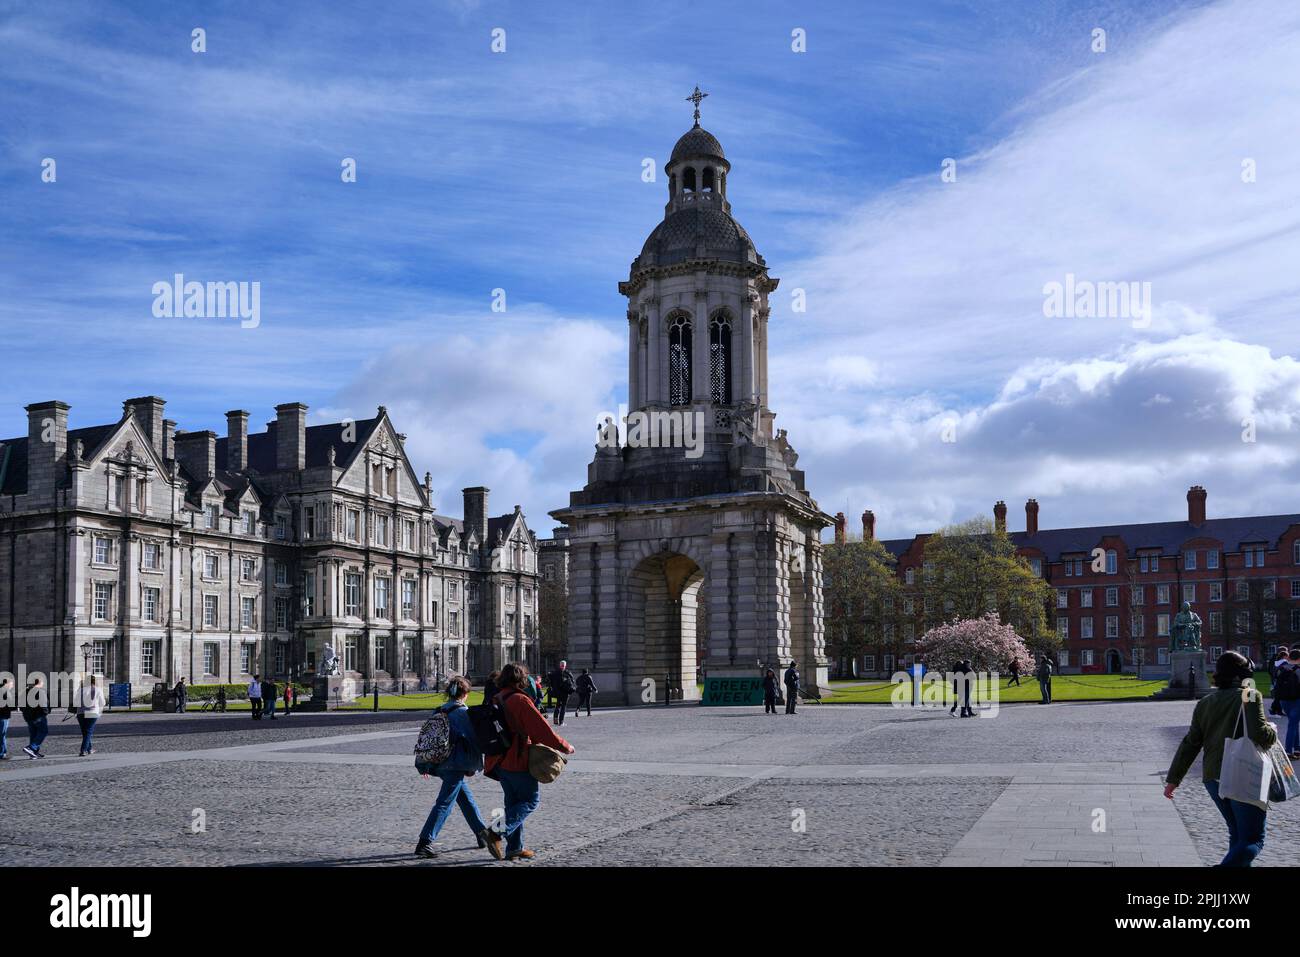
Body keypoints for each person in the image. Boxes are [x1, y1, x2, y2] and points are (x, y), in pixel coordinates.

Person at [1165, 652, 1278, 867]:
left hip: (1213, 777)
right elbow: (1260, 735)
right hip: (1243, 774)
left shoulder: (1205, 702)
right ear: (1245, 673)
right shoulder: (1250, 695)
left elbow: (1191, 743)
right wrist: (1273, 731)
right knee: (1253, 839)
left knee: (1237, 835)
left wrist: (1174, 779)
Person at [484, 662, 574, 861]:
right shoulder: (519, 700)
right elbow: (541, 730)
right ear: (522, 679)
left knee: (513, 804)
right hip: (517, 758)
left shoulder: (497, 697)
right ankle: (495, 832)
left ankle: (514, 848)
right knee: (530, 801)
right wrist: (565, 746)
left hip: (499, 759)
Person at [415, 676, 503, 860]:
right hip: (456, 763)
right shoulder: (464, 713)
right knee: (444, 802)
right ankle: (425, 841)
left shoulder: (440, 710)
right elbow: (474, 741)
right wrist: (474, 765)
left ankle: (482, 834)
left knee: (464, 798)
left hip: (439, 762)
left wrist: (425, 764)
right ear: (465, 694)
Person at [1275, 648, 1300, 760]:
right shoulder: (1299, 670)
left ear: (1289, 657)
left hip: (1284, 700)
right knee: (1293, 725)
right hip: (1297, 700)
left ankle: (1297, 748)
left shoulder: (1281, 668)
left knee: (1293, 723)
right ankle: (1289, 751)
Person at [21, 676, 50, 758]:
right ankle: (31, 748)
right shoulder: (40, 691)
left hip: (28, 716)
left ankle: (33, 753)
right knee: (43, 732)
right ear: (40, 683)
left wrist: (25, 713)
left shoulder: (25, 691)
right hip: (39, 716)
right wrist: (46, 712)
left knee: (33, 734)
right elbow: (43, 704)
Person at [76, 675, 105, 756]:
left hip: (80, 712)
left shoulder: (81, 690)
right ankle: (83, 750)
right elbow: (103, 702)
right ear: (94, 681)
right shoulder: (98, 690)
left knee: (85, 732)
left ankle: (89, 749)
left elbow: (76, 702)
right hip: (92, 712)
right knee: (88, 732)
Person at [549, 660, 576, 726]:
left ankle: (555, 720)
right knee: (563, 706)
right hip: (565, 692)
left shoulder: (555, 673)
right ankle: (561, 722)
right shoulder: (567, 673)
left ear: (559, 665)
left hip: (557, 692)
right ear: (565, 666)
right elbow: (572, 681)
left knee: (558, 705)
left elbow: (551, 683)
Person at [1270, 646, 1290, 716]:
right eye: (1287, 656)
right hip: (1283, 682)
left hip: (1276, 681)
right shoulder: (1285, 663)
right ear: (1284, 656)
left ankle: (1274, 709)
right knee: (1280, 697)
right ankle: (1276, 710)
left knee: (1278, 696)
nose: (1288, 657)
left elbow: (1273, 672)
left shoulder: (1276, 663)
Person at [0, 677, 13, 760]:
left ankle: (3, 752)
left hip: (3, 715)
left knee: (2, 735)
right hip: (3, 716)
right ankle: (1, 753)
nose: (12, 685)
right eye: (11, 684)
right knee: (1, 735)